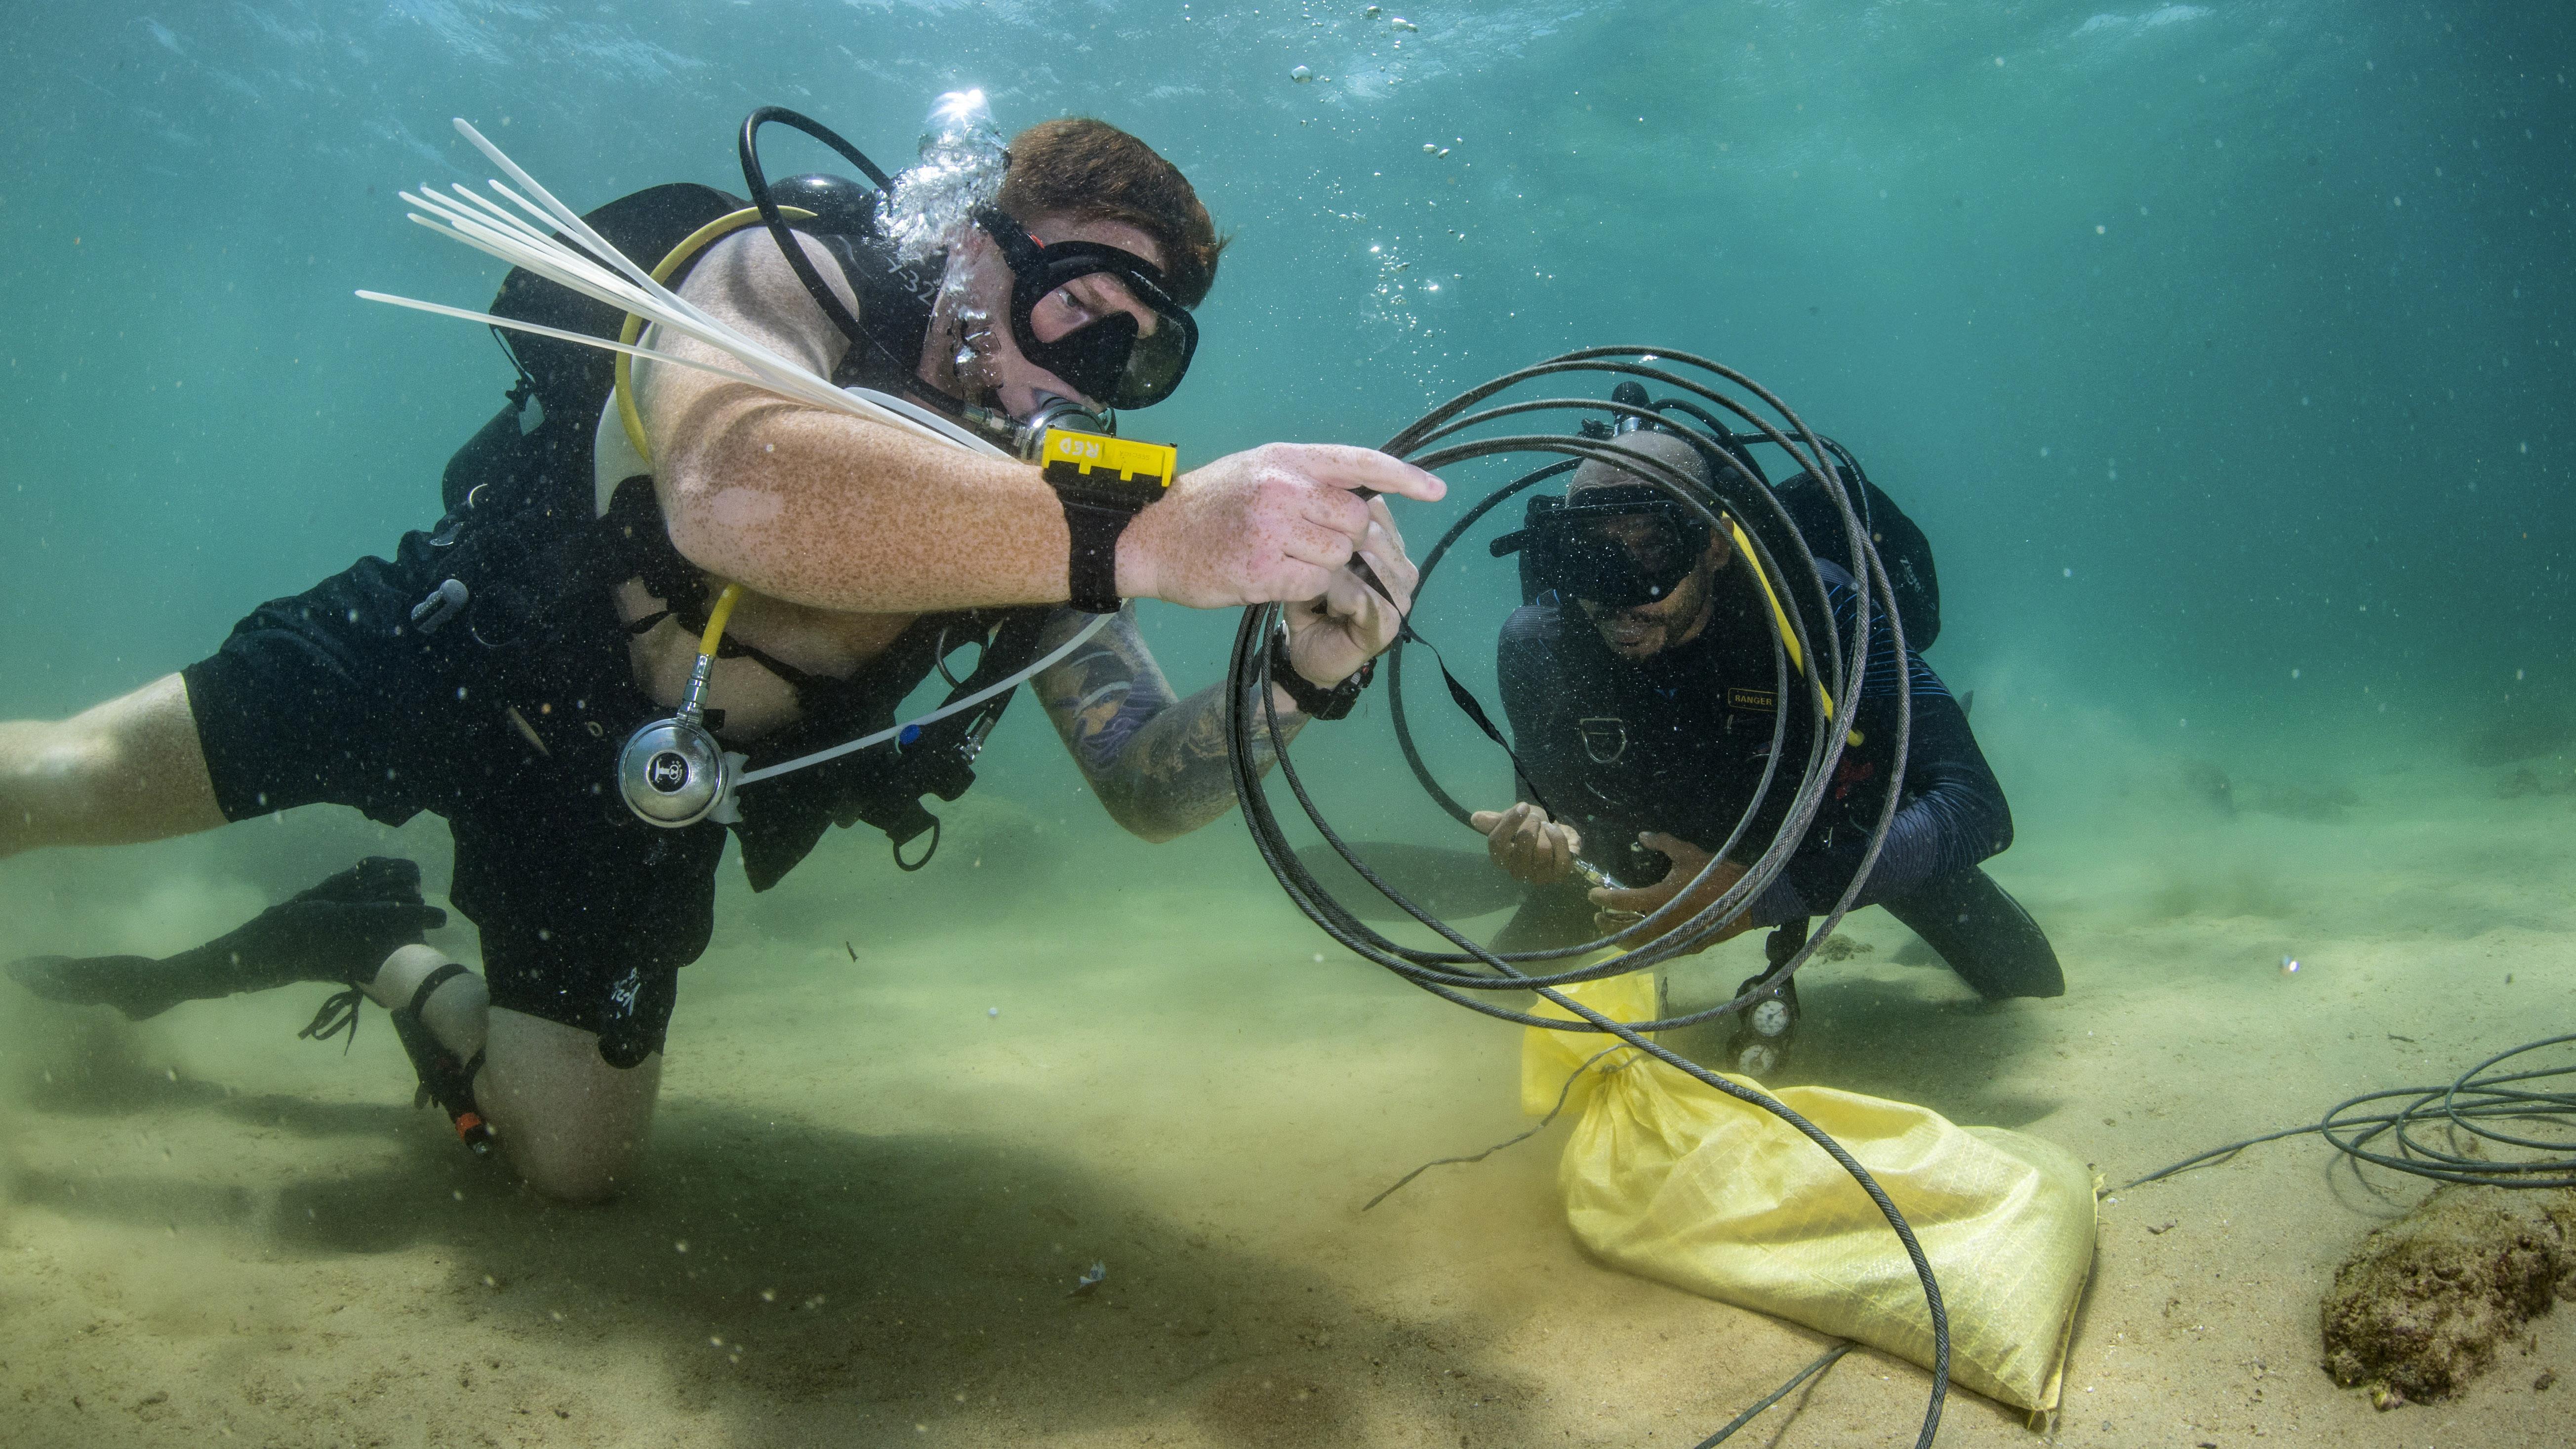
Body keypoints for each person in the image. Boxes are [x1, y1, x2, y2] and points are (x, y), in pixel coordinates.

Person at [1, 112, 1441, 1200]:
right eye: (1075, 295)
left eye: (1143, 350)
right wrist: (1155, 537)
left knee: (571, 1167)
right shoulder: (789, 271)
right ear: (978, 249)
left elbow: (1142, 776)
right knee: (60, 778)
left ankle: (371, 941)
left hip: (624, 805)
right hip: (457, 642)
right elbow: (729, 491)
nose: (1092, 365)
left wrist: (1303, 679)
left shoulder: (1051, 507)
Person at [1468, 430, 2057, 1075]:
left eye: (1653, 547)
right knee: (1485, 1005)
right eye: (1593, 555)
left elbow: (1976, 807)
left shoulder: (1822, 614)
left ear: (1714, 544)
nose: (1621, 591)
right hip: (1652, 852)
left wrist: (1756, 898)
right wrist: (1545, 849)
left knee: (2027, 981)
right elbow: (1559, 815)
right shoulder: (1540, 648)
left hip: (1829, 841)